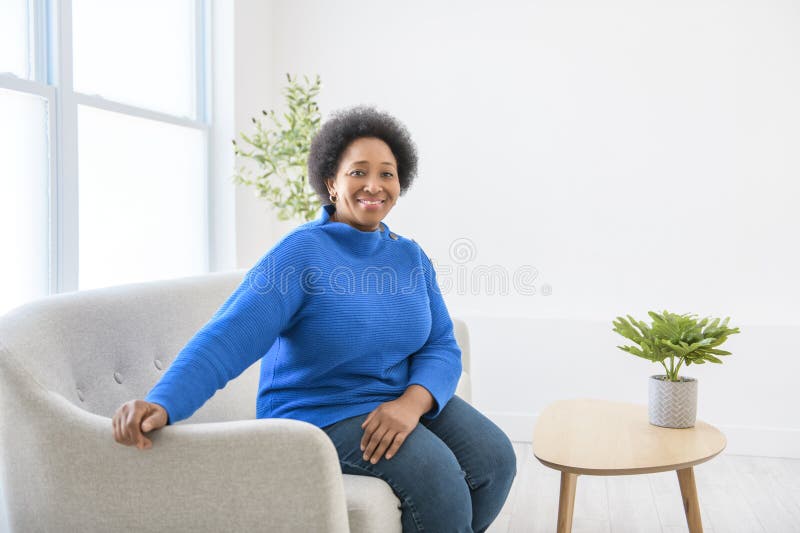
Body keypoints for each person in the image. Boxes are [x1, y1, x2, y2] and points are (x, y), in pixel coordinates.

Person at [112, 105, 517, 532]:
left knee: (495, 459)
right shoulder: (300, 253)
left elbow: (440, 344)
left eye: (387, 173)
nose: (374, 186)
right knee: (439, 483)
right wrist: (163, 401)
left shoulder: (409, 256)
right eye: (358, 172)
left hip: (396, 398)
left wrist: (410, 404)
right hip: (318, 412)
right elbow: (229, 337)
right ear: (332, 182)